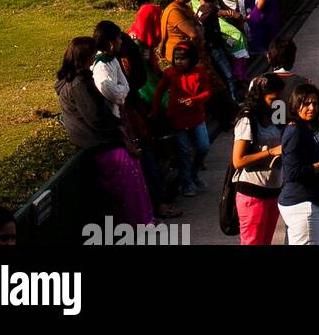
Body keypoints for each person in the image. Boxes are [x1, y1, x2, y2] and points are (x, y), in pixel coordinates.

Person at [56, 36, 154, 225]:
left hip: (100, 142)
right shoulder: (79, 84)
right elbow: (96, 119)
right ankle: (139, 224)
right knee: (130, 179)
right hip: (100, 144)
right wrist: (120, 133)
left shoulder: (76, 81)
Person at [278, 82, 319, 244]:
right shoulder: (295, 133)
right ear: (295, 105)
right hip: (303, 206)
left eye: (314, 103)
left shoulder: (304, 129)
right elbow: (293, 172)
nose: (311, 108)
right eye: (306, 104)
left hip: (305, 202)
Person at [150, 42, 213, 196]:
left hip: (197, 117)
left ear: (191, 59)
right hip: (177, 119)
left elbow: (207, 93)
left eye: (182, 58)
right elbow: (159, 91)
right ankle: (187, 183)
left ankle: (194, 173)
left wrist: (195, 100)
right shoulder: (170, 73)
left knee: (203, 146)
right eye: (176, 58)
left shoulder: (200, 73)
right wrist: (155, 111)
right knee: (183, 151)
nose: (179, 61)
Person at [230, 74, 286, 245]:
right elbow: (238, 161)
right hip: (252, 193)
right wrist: (270, 152)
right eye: (272, 98)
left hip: (273, 190)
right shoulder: (247, 120)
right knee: (252, 242)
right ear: (260, 96)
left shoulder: (275, 117)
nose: (277, 102)